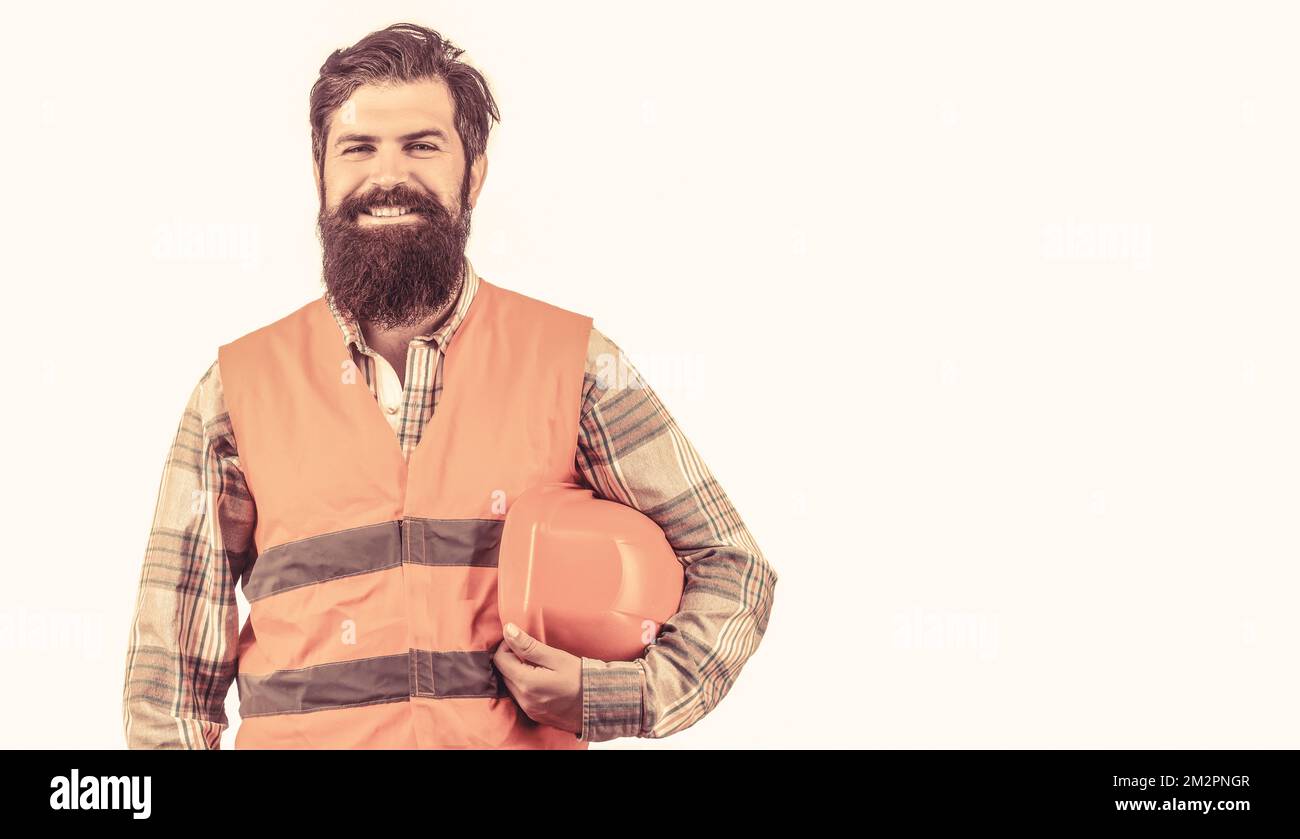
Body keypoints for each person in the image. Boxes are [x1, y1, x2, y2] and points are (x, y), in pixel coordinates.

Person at [121, 21, 777, 748]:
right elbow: (168, 689)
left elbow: (733, 566)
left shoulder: (578, 365)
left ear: (474, 173)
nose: (387, 175)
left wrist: (613, 697)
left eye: (422, 146)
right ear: (320, 173)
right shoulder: (233, 391)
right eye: (358, 148)